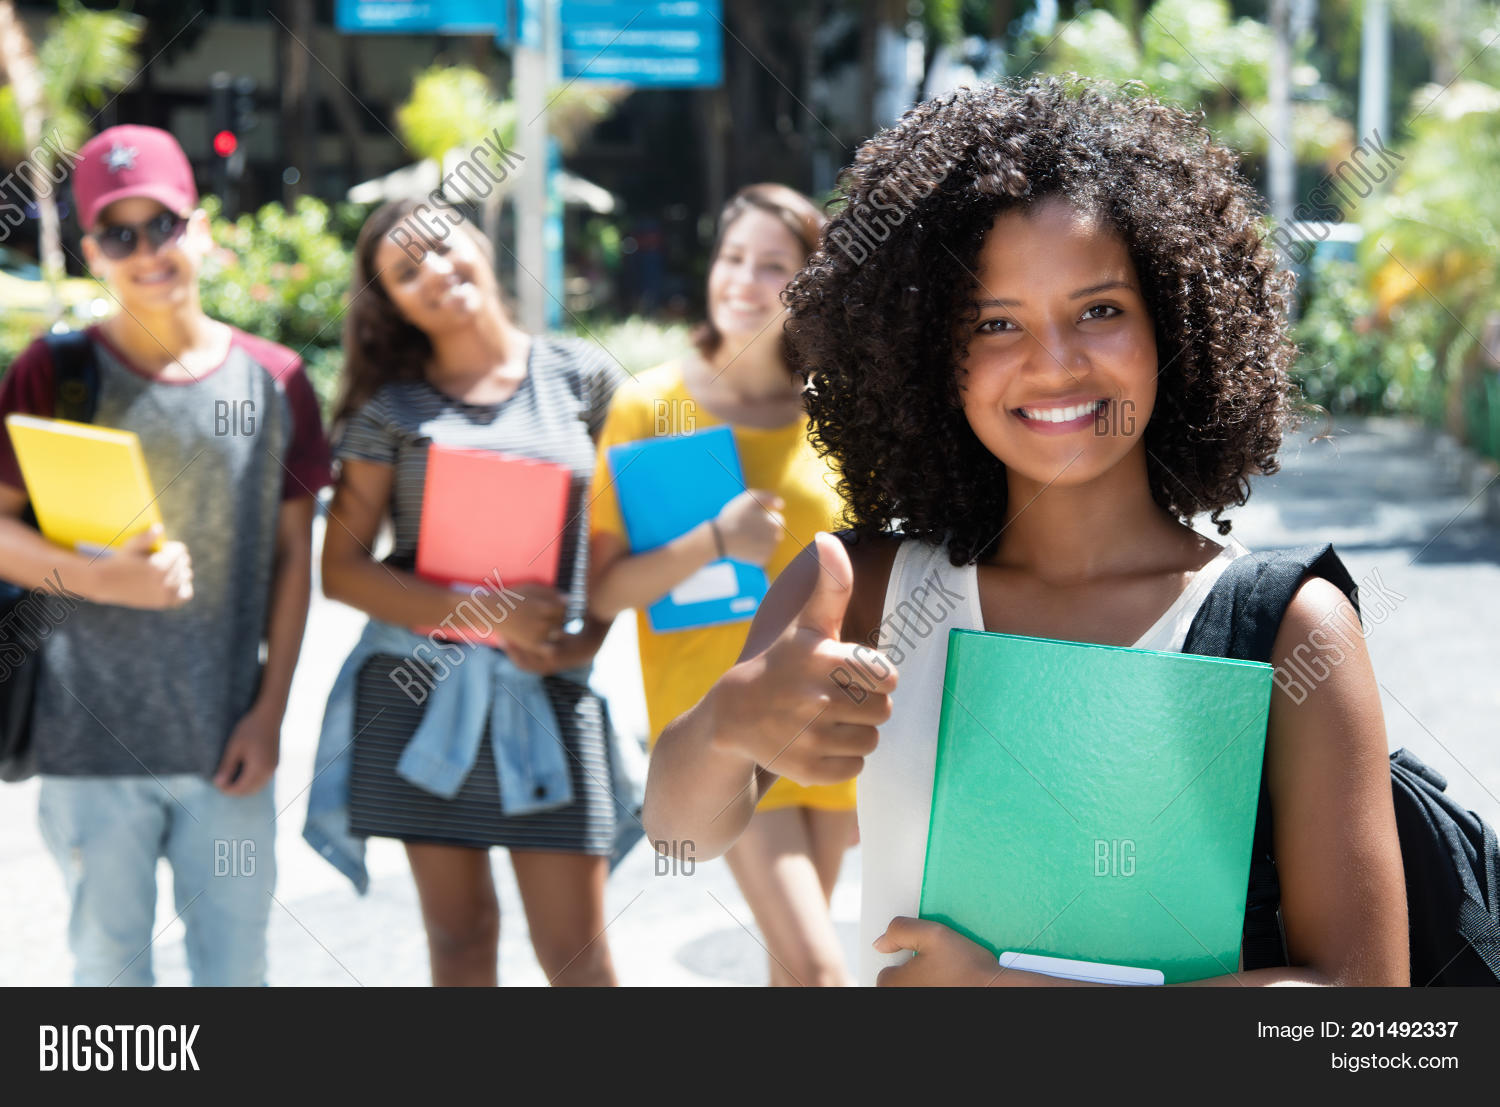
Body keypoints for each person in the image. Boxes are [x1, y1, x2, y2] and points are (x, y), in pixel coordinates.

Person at [643, 78, 1410, 987]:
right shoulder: (860, 591)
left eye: (1099, 310)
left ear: (1172, 323)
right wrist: (732, 722)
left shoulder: (1291, 630)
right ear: (931, 356)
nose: (1053, 364)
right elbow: (680, 834)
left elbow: (1366, 1019)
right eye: (995, 323)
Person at [0, 125, 331, 985]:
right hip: (86, 747)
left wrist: (270, 715)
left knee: (234, 970)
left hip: (228, 743)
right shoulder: (54, 372)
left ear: (201, 226)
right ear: (91, 251)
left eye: (165, 225)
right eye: (120, 233)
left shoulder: (276, 379)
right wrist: (105, 578)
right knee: (109, 971)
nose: (147, 251)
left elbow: (296, 558)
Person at [309, 198, 629, 986]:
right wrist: (488, 611)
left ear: (481, 241)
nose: (435, 275)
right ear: (391, 302)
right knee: (459, 942)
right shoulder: (391, 410)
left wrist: (588, 637)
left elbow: (626, 543)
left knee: (580, 955)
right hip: (423, 696)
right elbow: (342, 570)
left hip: (550, 689)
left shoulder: (583, 378)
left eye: (441, 249)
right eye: (406, 273)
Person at [589, 184, 857, 986]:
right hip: (722, 729)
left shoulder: (836, 412)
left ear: (809, 284)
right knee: (818, 972)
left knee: (790, 977)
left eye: (771, 265)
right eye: (731, 257)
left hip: (833, 714)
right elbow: (604, 592)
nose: (742, 280)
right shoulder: (650, 405)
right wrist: (715, 539)